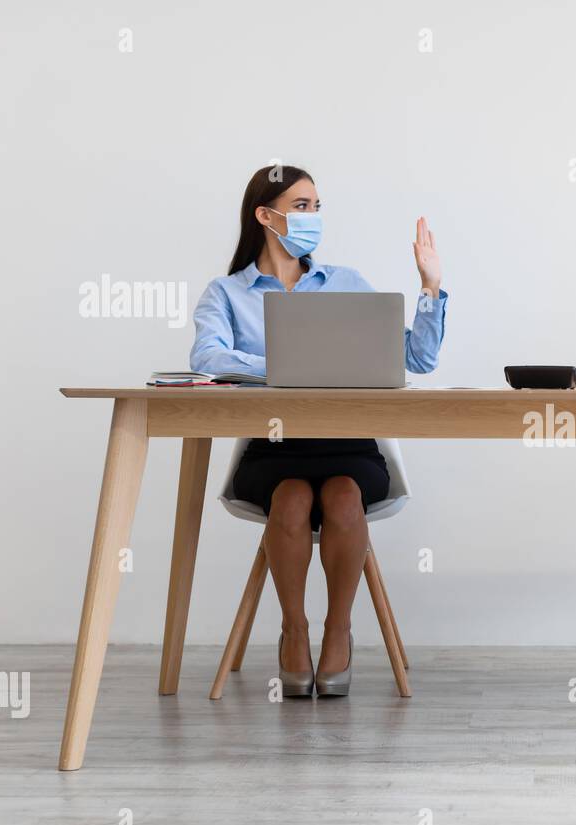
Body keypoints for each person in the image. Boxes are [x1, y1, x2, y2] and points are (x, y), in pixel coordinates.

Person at [190, 164, 447, 697]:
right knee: (288, 500)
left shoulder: (345, 283)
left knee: (344, 497)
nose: (313, 217)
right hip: (272, 448)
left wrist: (429, 286)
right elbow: (207, 357)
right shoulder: (228, 293)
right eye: (301, 206)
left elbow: (416, 358)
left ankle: (338, 630)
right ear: (266, 215)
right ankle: (294, 629)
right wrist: (285, 365)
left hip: (349, 447)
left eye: (316, 206)